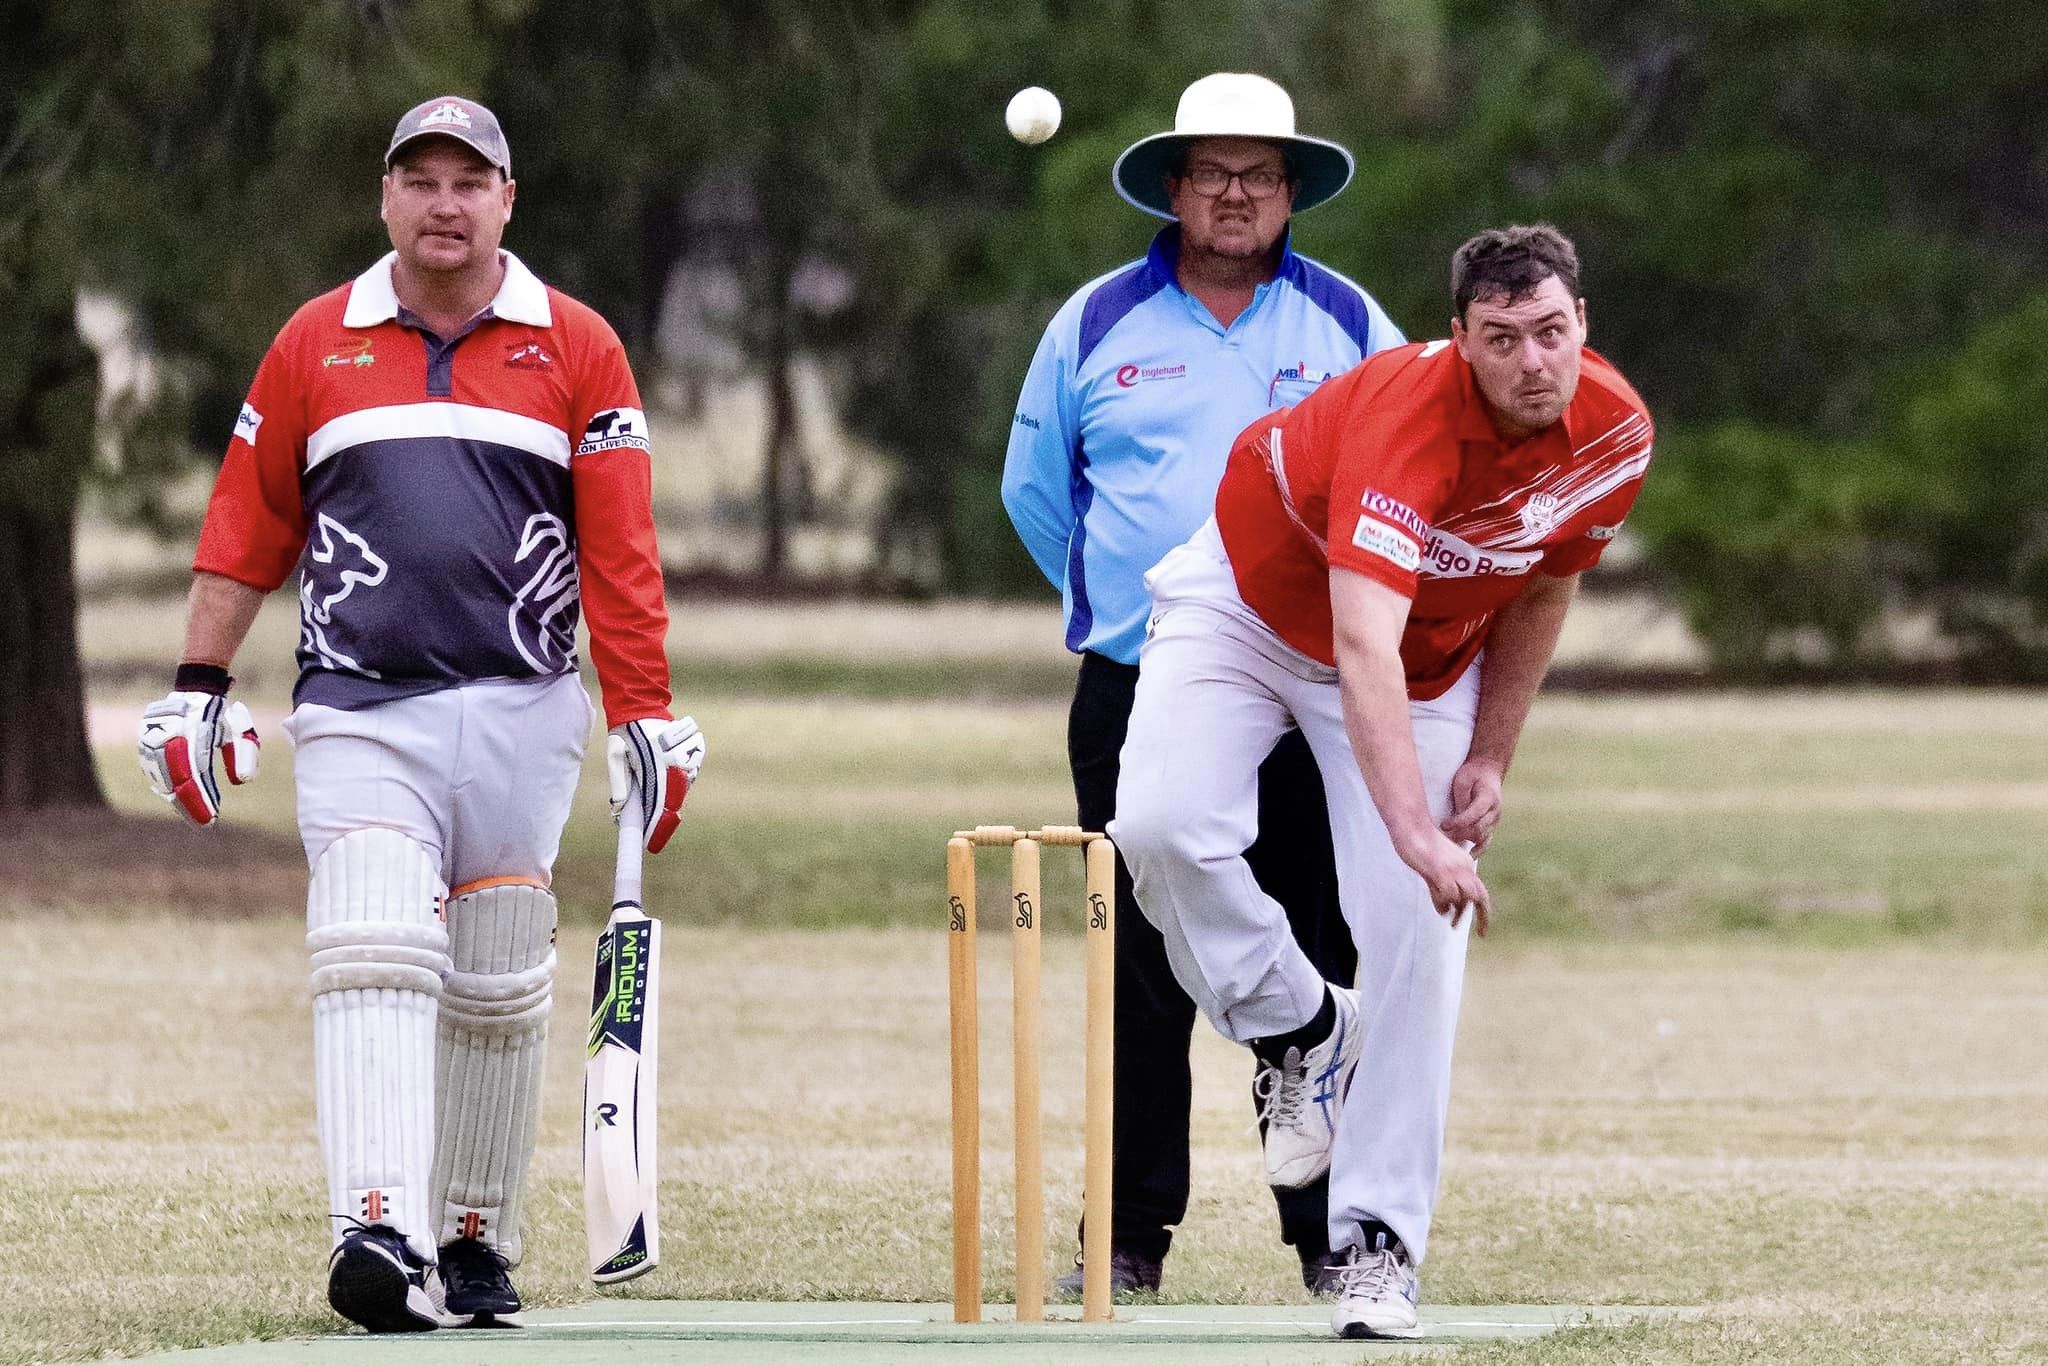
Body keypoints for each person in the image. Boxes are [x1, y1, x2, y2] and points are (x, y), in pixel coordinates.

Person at [134, 95, 704, 1334]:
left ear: (507, 200)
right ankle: (376, 1228)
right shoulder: (313, 344)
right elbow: (246, 529)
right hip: (360, 706)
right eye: (420, 180)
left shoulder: (578, 345)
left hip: (523, 704)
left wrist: (645, 712)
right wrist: (196, 687)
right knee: (374, 937)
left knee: (499, 979)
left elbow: (619, 547)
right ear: (386, 199)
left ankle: (475, 1236)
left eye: (469, 181)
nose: (444, 204)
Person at [1111, 224, 1655, 1338]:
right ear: (1458, 340)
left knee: (1418, 923)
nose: (1529, 363)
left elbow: (1544, 586)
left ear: (1581, 328)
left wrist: (1490, 758)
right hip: (1250, 604)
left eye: (1549, 333)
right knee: (1159, 827)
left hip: (1428, 661)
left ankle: (1375, 1242)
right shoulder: (1412, 421)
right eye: (1499, 340)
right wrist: (1410, 823)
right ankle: (1301, 1024)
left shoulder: (1614, 434)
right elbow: (1358, 640)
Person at [1001, 72, 1404, 1295]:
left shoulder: (1345, 323)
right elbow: (1036, 495)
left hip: (1308, 690)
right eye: (1211, 174)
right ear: (1173, 188)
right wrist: (1129, 608)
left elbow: (1404, 486)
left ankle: (1333, 1241)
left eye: (1259, 175)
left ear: (1290, 192)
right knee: (1138, 961)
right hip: (1136, 683)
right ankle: (1125, 1238)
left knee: (1322, 948)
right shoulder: (1095, 320)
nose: (1234, 195)